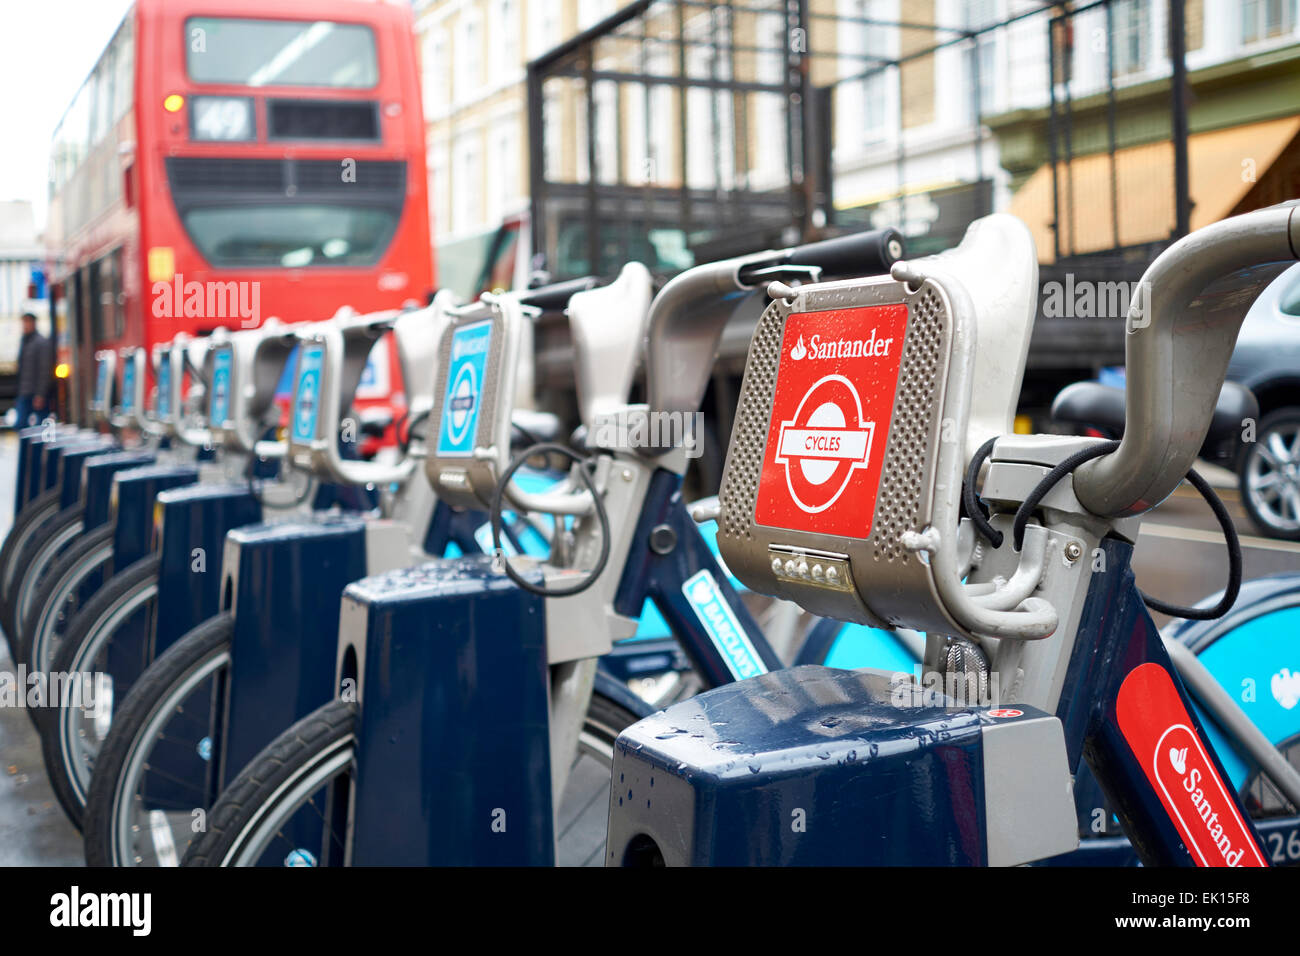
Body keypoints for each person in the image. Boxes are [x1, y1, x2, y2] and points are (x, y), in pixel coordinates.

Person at [15, 312, 53, 428]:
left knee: (39, 427)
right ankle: (24, 447)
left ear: (33, 323)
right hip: (24, 391)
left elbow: (44, 370)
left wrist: (40, 394)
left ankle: (38, 447)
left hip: (35, 393)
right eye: (23, 322)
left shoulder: (41, 342)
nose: (25, 325)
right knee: (22, 426)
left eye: (27, 322)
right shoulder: (24, 342)